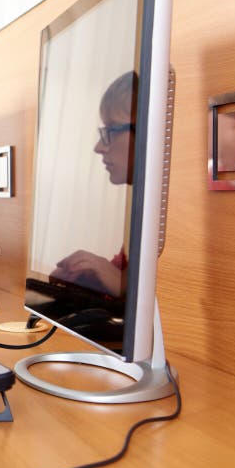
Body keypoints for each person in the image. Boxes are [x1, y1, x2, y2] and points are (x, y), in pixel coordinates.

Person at [50, 71, 136, 298]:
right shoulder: (142, 209)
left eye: (111, 132)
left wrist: (119, 282)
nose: (99, 147)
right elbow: (122, 280)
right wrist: (92, 278)